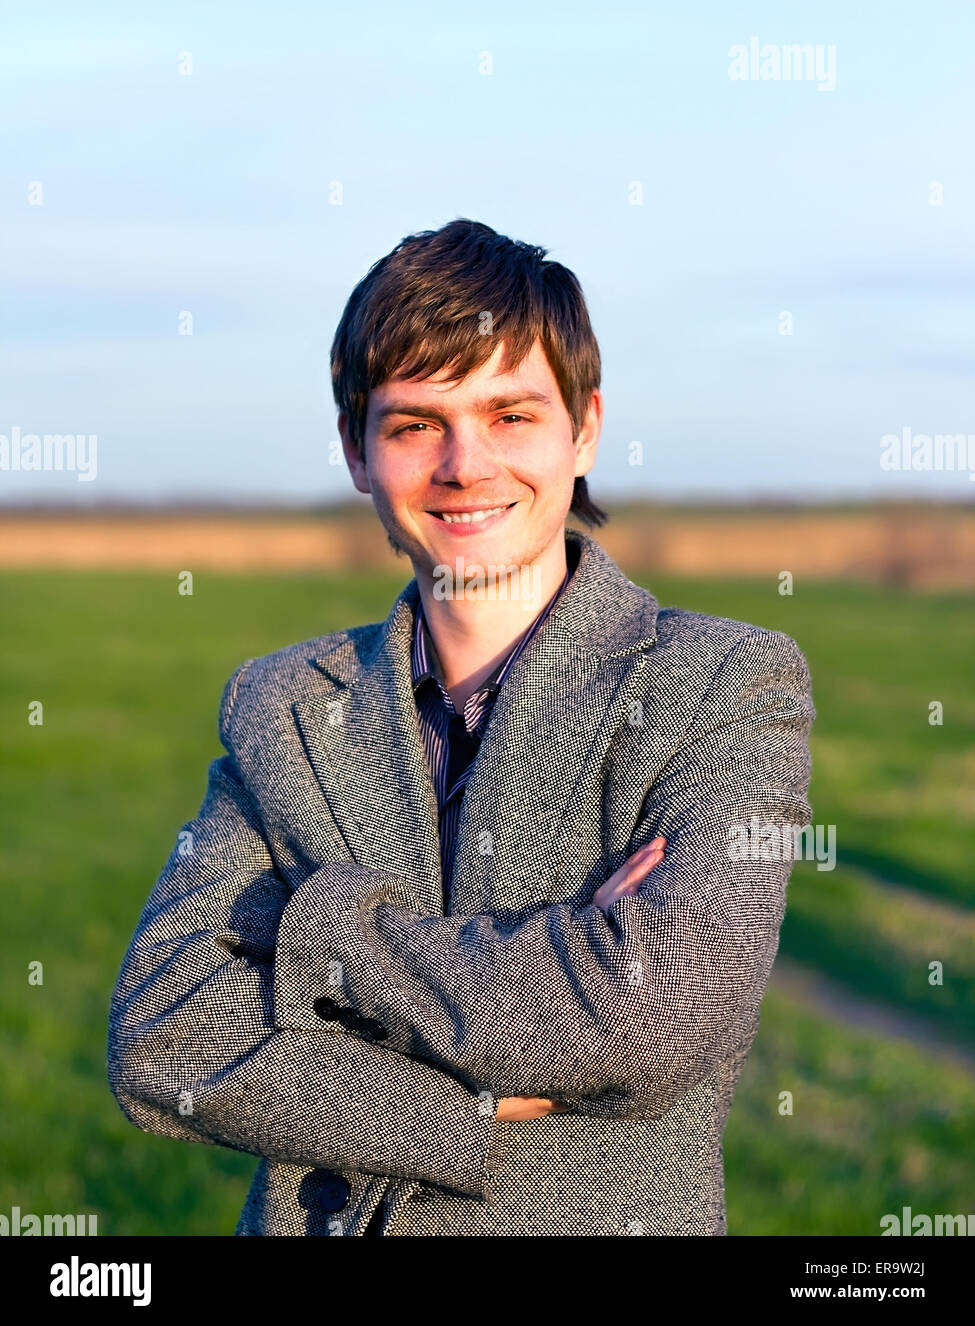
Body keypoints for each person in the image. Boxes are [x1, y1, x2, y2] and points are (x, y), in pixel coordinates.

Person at [107, 217, 815, 1236]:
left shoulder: (723, 684)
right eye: (414, 425)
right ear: (357, 450)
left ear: (586, 429)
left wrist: (314, 932)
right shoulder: (281, 706)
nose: (464, 464)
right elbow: (164, 1036)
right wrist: (462, 1111)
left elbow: (647, 1015)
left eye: (510, 414)